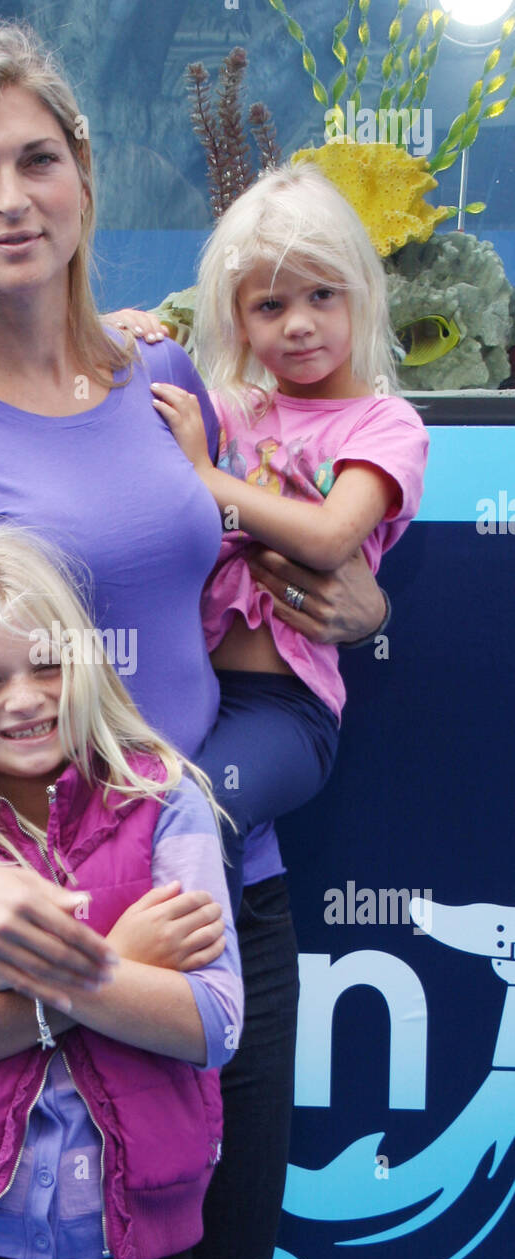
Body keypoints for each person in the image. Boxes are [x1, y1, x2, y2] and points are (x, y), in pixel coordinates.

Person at [0, 21, 391, 1259]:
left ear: (82, 174)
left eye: (35, 159)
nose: (9, 199)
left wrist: (344, 592)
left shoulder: (167, 373)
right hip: (33, 923)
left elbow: (277, 561)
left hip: (220, 911)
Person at [0, 522, 244, 1259]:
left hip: (138, 1248)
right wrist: (123, 958)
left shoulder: (165, 801)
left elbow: (212, 1021)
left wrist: (8, 967)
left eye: (48, 665)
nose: (25, 699)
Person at [148, 164, 429, 921]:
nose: (298, 323)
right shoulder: (231, 408)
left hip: (284, 707)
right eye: (270, 305)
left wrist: (205, 475)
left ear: (361, 295)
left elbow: (332, 536)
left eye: (320, 295)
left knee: (200, 812)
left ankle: (200, 1011)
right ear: (237, 320)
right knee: (138, 823)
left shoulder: (382, 424)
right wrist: (121, 333)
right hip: (183, 690)